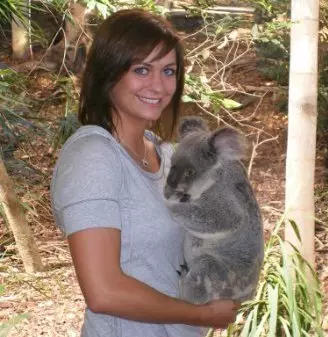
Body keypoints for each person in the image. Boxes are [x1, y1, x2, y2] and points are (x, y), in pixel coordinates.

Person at [50, 8, 240, 337]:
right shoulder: (92, 156)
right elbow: (104, 292)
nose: (159, 85)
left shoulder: (165, 156)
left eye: (169, 71)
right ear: (109, 73)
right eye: (141, 69)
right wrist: (202, 313)